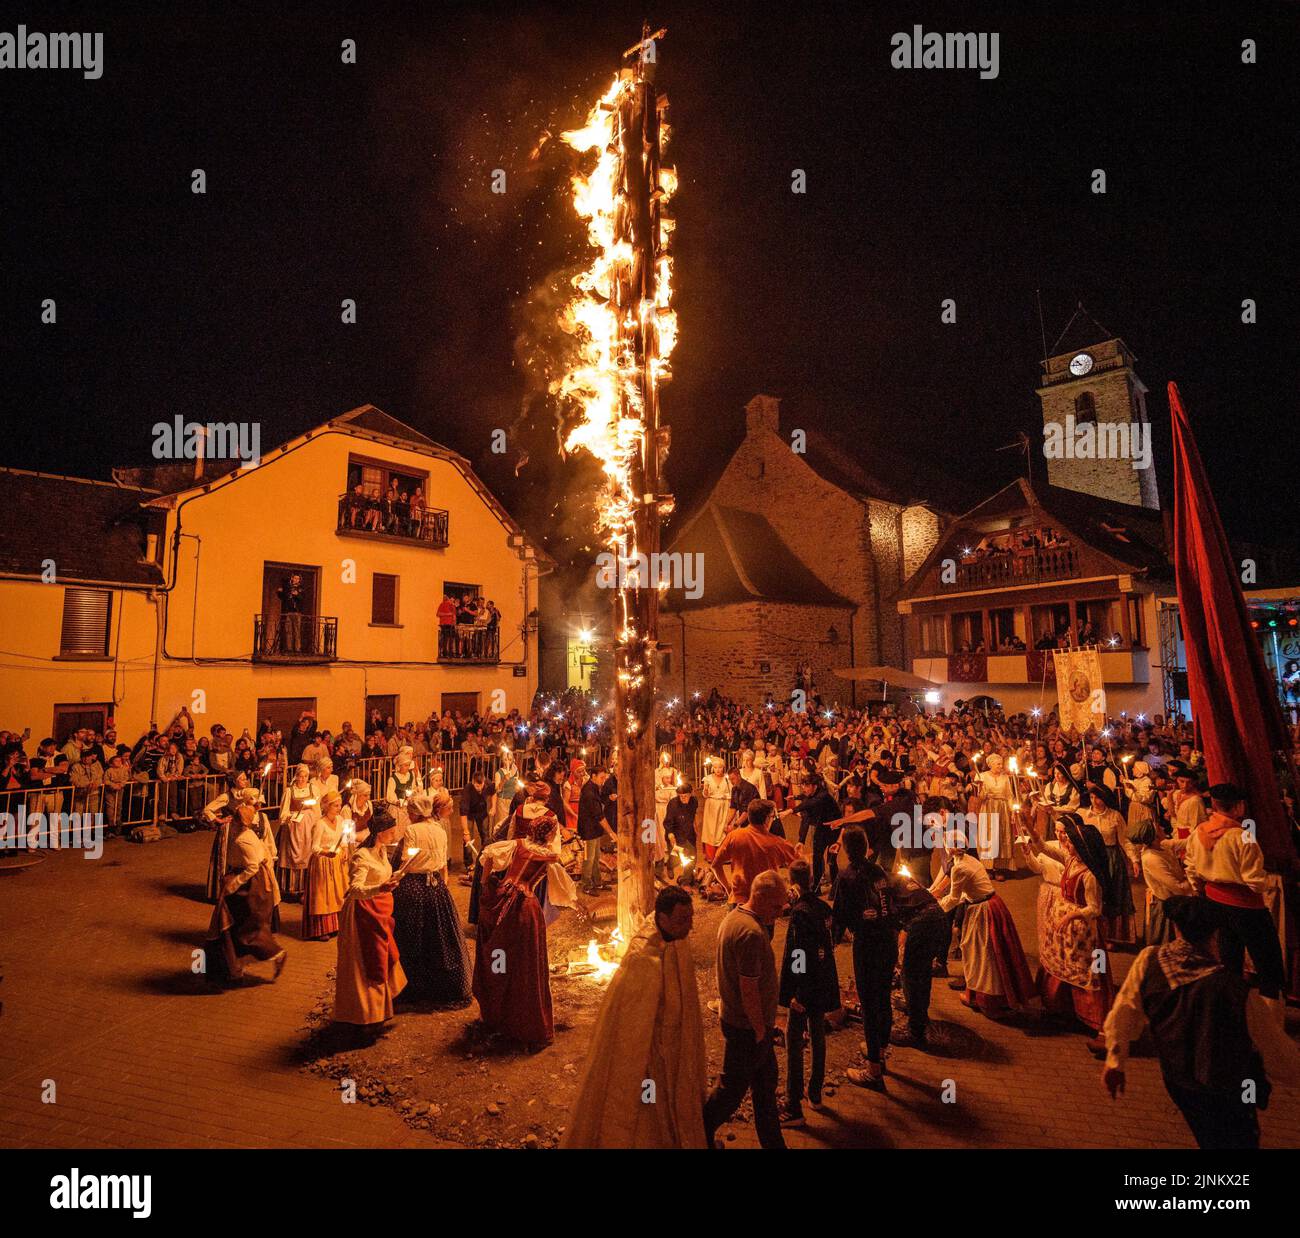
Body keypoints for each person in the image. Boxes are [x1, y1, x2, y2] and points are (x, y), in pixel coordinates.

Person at [1102, 895, 1300, 1149]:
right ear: (1215, 934)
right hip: (1227, 1087)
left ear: (1176, 927)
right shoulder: (1234, 989)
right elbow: (1274, 1047)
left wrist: (1115, 1063)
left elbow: (1124, 1011)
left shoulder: (1148, 961)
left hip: (1178, 1080)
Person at [562, 887, 708, 1148]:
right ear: (662, 919)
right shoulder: (643, 959)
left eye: (690, 918)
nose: (690, 926)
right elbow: (632, 1030)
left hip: (675, 1050)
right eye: (682, 920)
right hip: (650, 1061)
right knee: (647, 1120)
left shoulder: (676, 939)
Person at [473, 811, 577, 1048]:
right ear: (549, 834)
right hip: (525, 908)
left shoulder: (518, 845)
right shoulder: (550, 857)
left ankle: (496, 1013)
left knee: (499, 954)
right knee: (524, 964)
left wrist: (486, 883)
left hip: (502, 897)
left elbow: (488, 854)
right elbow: (564, 890)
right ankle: (521, 1021)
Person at [703, 870, 789, 1149]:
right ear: (760, 897)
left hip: (743, 1023)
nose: (779, 913)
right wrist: (761, 1029)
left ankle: (774, 1144)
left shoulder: (735, 918)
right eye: (776, 906)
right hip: (747, 1029)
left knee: (765, 1088)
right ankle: (698, 1133)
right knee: (730, 1092)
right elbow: (748, 989)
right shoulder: (751, 934)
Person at [1184, 782, 1286, 1011]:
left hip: (1214, 902)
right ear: (1239, 807)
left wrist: (1200, 888)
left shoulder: (1198, 832)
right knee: (1268, 963)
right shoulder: (1243, 837)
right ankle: (1271, 1019)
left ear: (1213, 804)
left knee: (1230, 959)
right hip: (1246, 906)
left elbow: (1190, 867)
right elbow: (1255, 880)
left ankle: (1232, 1010)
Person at [1019, 813, 1113, 1044]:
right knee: (1060, 967)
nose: (1065, 845)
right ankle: (1060, 1010)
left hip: (1084, 932)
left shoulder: (1090, 875)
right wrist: (1030, 828)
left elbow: (1095, 908)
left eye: (1070, 842)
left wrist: (1071, 915)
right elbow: (1045, 848)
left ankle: (1100, 1024)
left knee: (1089, 974)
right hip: (1065, 929)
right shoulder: (1070, 859)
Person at [933, 817, 1035, 1017]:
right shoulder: (970, 860)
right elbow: (955, 889)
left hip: (981, 911)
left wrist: (934, 906)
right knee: (980, 952)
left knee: (981, 954)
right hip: (991, 905)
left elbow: (954, 898)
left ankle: (988, 999)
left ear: (952, 848)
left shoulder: (959, 868)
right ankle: (975, 993)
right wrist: (934, 891)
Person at [391, 790, 472, 1006]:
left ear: (415, 813)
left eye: (409, 812)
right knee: (439, 937)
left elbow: (408, 862)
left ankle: (414, 986)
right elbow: (442, 862)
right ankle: (442, 985)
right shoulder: (440, 831)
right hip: (437, 888)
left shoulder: (412, 830)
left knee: (413, 937)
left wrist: (396, 876)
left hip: (414, 887)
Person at [333, 804, 406, 1035]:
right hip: (360, 916)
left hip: (377, 912)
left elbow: (380, 878)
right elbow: (355, 889)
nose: (395, 834)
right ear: (380, 833)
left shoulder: (382, 851)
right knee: (363, 965)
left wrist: (391, 879)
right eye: (392, 830)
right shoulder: (361, 856)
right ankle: (360, 1017)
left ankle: (378, 1013)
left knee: (382, 957)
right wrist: (380, 887)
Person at [834, 826, 896, 1091]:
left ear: (847, 850)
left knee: (869, 1004)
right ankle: (880, 1050)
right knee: (883, 997)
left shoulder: (846, 877)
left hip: (868, 945)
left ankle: (873, 1070)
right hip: (888, 940)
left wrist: (833, 941)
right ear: (867, 845)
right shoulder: (879, 871)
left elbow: (838, 916)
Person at [778, 860, 839, 1125]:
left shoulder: (800, 913)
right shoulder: (823, 908)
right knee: (817, 1035)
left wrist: (796, 993)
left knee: (794, 1039)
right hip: (822, 981)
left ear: (792, 883)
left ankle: (793, 1105)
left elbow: (799, 953)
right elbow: (827, 944)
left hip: (806, 987)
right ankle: (815, 1093)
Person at [205, 790, 287, 985]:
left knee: (242, 929)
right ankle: (234, 969)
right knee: (236, 928)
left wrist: (235, 883)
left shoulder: (243, 839)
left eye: (233, 819)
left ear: (237, 822)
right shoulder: (246, 834)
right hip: (247, 883)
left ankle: (270, 956)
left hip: (250, 887)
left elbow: (252, 866)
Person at [710, 799, 801, 908]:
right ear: (767, 819)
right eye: (773, 817)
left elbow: (715, 865)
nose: (774, 819)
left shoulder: (734, 836)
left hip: (738, 901)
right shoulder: (777, 843)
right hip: (765, 904)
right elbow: (800, 868)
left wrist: (728, 888)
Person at [1081, 782, 1139, 945]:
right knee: (1094, 896)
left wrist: (1134, 859)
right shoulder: (1085, 815)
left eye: (1097, 798)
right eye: (1091, 797)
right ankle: (1095, 934)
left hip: (1111, 859)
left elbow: (1124, 840)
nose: (1094, 801)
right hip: (1092, 858)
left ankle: (1110, 935)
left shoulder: (1115, 816)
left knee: (1110, 896)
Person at [1132, 817, 1191, 946]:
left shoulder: (1162, 845)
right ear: (1154, 838)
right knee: (1165, 945)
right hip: (1166, 904)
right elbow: (1177, 887)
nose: (1163, 828)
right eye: (1159, 828)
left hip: (1175, 898)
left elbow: (1184, 843)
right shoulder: (1151, 858)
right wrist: (1192, 878)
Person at [303, 790, 349, 941]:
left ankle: (336, 925)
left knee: (338, 893)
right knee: (324, 895)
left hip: (337, 861)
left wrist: (346, 849)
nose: (338, 808)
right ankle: (322, 928)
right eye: (335, 805)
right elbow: (314, 847)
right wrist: (326, 852)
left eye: (339, 805)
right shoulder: (320, 824)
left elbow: (344, 839)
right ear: (327, 807)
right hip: (323, 863)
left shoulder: (341, 820)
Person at [276, 763, 315, 899]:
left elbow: (316, 809)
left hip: (308, 825)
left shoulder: (312, 789)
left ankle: (305, 887)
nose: (303, 779)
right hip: (294, 826)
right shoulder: (289, 791)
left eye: (305, 776)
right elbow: (284, 810)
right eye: (300, 776)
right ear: (296, 776)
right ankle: (290, 887)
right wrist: (287, 818)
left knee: (307, 851)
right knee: (292, 852)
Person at [577, 766, 614, 894]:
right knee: (588, 858)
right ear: (593, 776)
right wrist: (611, 832)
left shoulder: (595, 788)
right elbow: (599, 816)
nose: (603, 780)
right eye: (601, 777)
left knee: (596, 857)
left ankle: (597, 882)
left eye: (605, 778)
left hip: (595, 830)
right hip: (588, 831)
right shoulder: (589, 792)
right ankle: (586, 885)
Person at [698, 757, 731, 862]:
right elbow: (705, 795)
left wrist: (725, 797)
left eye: (720, 767)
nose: (718, 769)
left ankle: (722, 856)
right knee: (711, 830)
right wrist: (706, 790)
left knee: (722, 829)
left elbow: (731, 792)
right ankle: (711, 855)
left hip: (723, 805)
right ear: (713, 768)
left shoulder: (727, 779)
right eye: (716, 767)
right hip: (711, 806)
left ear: (723, 768)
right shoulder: (707, 778)